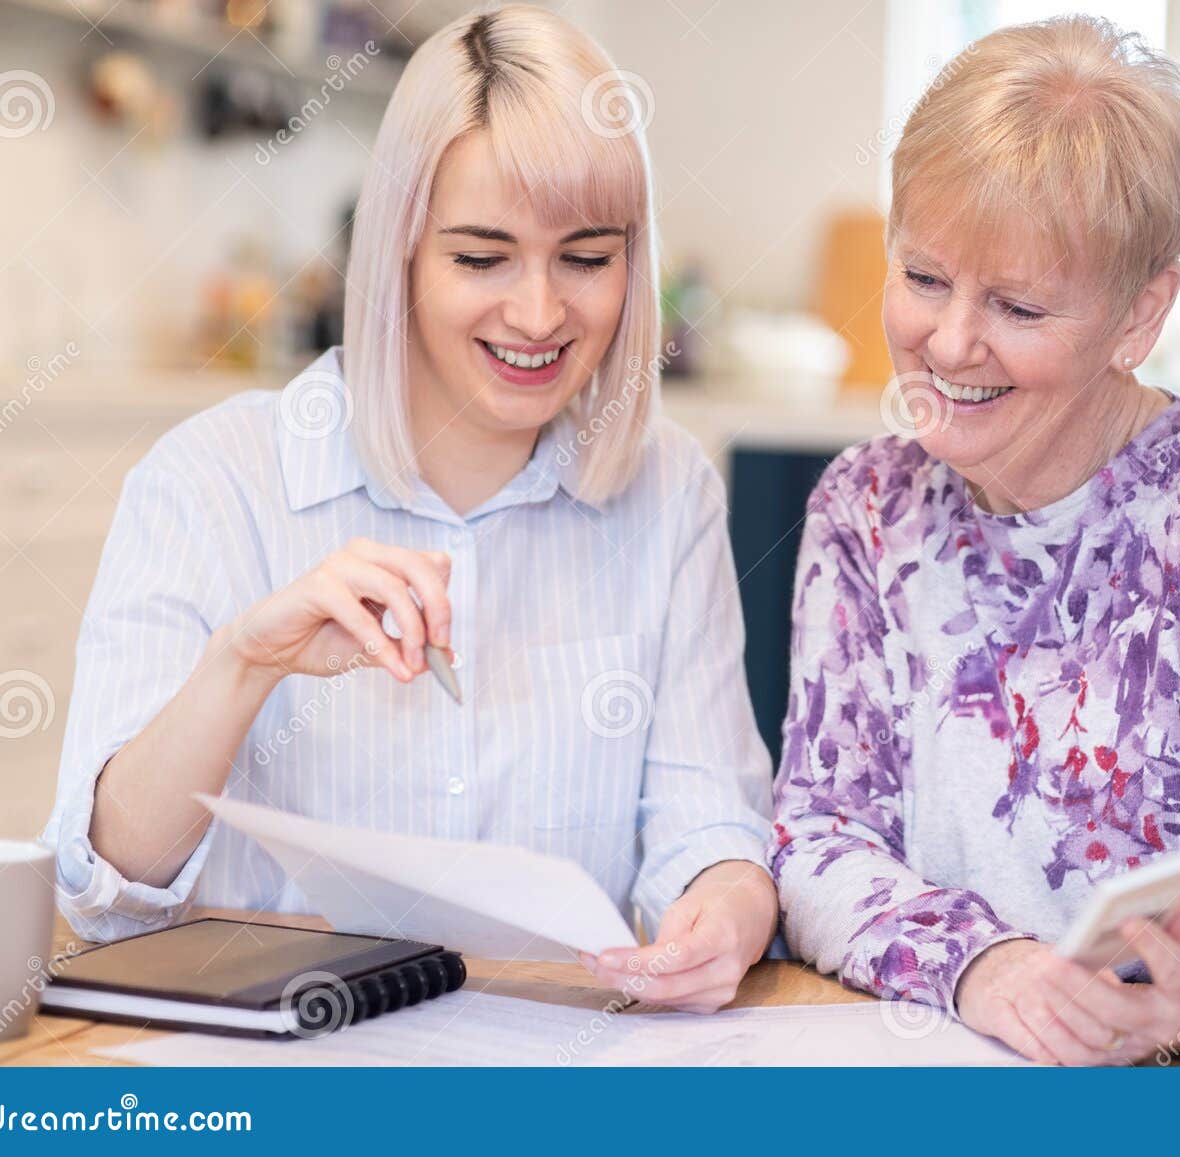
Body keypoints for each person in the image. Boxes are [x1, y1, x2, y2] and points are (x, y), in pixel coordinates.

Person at [43, 5, 776, 1014]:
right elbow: (103, 892)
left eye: (586, 256)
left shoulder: (669, 488)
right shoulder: (212, 478)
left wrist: (727, 906)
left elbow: (707, 825)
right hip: (275, 1065)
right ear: (400, 253)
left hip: (552, 1062)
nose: (537, 313)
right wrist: (245, 661)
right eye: (481, 258)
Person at [770, 15, 1180, 1063]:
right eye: (924, 277)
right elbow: (818, 841)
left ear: (1139, 314)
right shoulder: (864, 505)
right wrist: (982, 966)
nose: (947, 344)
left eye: (1019, 306)